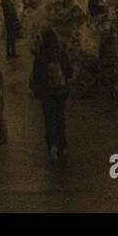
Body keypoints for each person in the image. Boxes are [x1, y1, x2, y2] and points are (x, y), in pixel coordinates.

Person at [30, 28, 73, 159]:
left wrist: (37, 91)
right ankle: (63, 146)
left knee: (49, 119)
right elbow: (69, 71)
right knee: (60, 118)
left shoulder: (40, 55)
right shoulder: (61, 53)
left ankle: (52, 146)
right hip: (61, 91)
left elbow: (36, 76)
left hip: (47, 92)